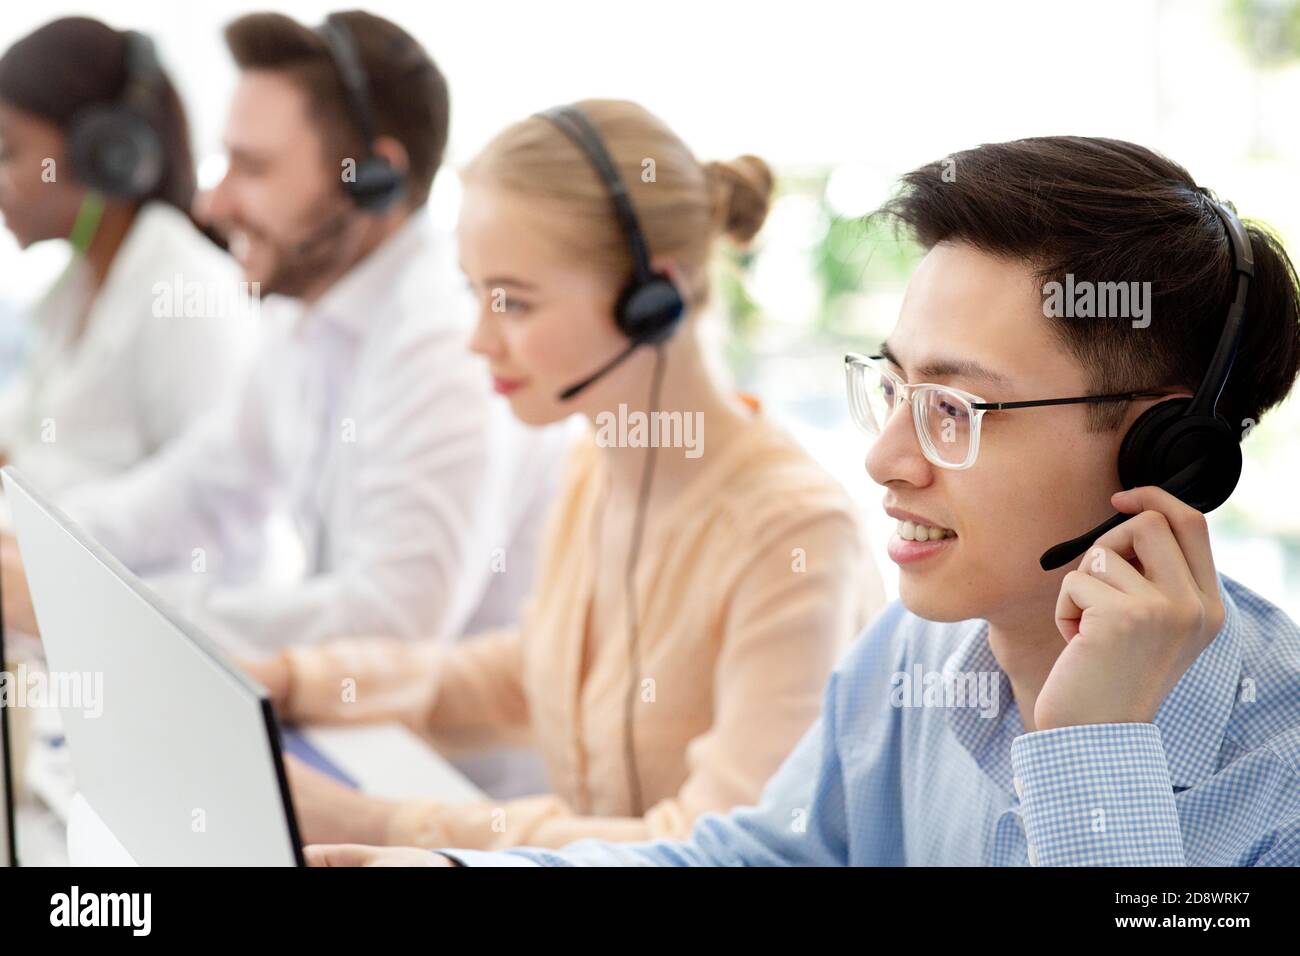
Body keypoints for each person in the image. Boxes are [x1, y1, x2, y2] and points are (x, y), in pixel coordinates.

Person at [308, 136, 1300, 867]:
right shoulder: (921, 651)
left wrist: (1090, 750)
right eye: (893, 387)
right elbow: (756, 857)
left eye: (952, 407)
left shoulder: (1279, 787)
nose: (883, 457)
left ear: (1164, 451)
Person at [246, 99, 882, 851]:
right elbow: (533, 671)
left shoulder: (792, 536)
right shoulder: (596, 464)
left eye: (512, 300)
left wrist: (381, 824)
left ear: (652, 300)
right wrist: (293, 679)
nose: (478, 340)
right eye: (473, 293)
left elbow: (710, 846)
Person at [0, 11, 563, 657]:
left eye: (252, 168)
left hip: (434, 754)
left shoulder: (443, 345)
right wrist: (35, 545)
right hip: (346, 730)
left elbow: (388, 625)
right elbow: (201, 487)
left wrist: (88, 602)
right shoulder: (301, 315)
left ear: (372, 179)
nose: (214, 205)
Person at [0, 18, 254, 495]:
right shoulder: (77, 287)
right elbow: (22, 440)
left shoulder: (183, 293)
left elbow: (217, 505)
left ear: (102, 154)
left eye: (7, 150)